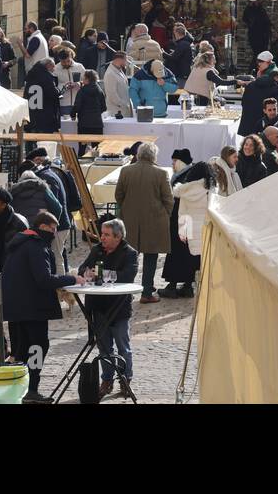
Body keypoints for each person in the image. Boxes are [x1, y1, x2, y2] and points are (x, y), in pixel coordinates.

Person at [2, 210, 83, 402]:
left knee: (21, 349)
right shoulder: (36, 246)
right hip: (33, 308)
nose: (54, 233)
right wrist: (72, 278)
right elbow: (44, 279)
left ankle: (19, 389)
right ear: (43, 227)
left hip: (17, 307)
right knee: (38, 347)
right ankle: (32, 389)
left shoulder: (19, 243)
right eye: (53, 229)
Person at [76, 218, 138, 399]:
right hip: (99, 307)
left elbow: (128, 275)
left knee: (123, 347)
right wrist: (86, 273)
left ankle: (126, 379)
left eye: (106, 235)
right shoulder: (97, 250)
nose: (101, 238)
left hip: (118, 308)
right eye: (102, 234)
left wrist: (104, 274)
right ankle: (107, 380)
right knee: (104, 347)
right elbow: (82, 268)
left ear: (118, 237)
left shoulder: (129, 253)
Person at [114, 142, 173, 304]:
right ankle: (147, 292)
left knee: (129, 257)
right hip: (154, 220)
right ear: (154, 155)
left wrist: (127, 209)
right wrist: (164, 215)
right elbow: (168, 199)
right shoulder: (161, 173)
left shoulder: (126, 171)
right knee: (151, 257)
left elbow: (118, 195)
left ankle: (125, 290)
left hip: (129, 220)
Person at [0, 188, 27, 360]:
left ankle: (16, 351)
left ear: (4, 205)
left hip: (12, 272)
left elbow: (23, 250)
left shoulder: (17, 222)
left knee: (13, 312)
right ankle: (1, 347)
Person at [161, 151, 209, 298]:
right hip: (201, 228)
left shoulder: (184, 189)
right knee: (191, 257)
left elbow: (181, 212)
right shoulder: (209, 190)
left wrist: (182, 230)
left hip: (184, 226)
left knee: (176, 256)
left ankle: (172, 286)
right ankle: (188, 286)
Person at [238, 52, 278, 137]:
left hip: (263, 115)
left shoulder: (271, 74)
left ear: (268, 62)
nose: (258, 64)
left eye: (261, 61)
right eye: (258, 61)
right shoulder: (266, 72)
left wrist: (254, 81)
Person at [24, 57, 61, 133]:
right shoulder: (46, 77)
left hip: (31, 112)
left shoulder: (31, 76)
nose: (54, 69)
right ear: (48, 65)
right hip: (45, 113)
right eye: (53, 66)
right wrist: (59, 91)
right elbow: (53, 93)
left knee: (31, 135)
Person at [72, 69, 107, 146]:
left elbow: (77, 106)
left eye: (83, 78)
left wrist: (73, 114)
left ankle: (80, 158)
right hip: (97, 124)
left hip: (84, 124)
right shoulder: (99, 90)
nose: (82, 80)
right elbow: (104, 107)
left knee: (82, 148)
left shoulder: (82, 91)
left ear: (87, 79)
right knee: (97, 148)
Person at [52, 47, 86, 117]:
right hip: (64, 103)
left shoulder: (79, 66)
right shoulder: (55, 68)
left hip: (79, 101)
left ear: (72, 57)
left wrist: (79, 83)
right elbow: (53, 85)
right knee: (65, 125)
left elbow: (87, 81)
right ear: (59, 59)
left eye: (68, 61)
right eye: (63, 62)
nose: (66, 63)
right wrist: (64, 86)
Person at [104, 50, 134, 119]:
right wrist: (124, 105)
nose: (127, 62)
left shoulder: (119, 70)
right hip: (116, 112)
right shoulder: (110, 74)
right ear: (119, 60)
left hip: (123, 111)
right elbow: (112, 95)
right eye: (125, 60)